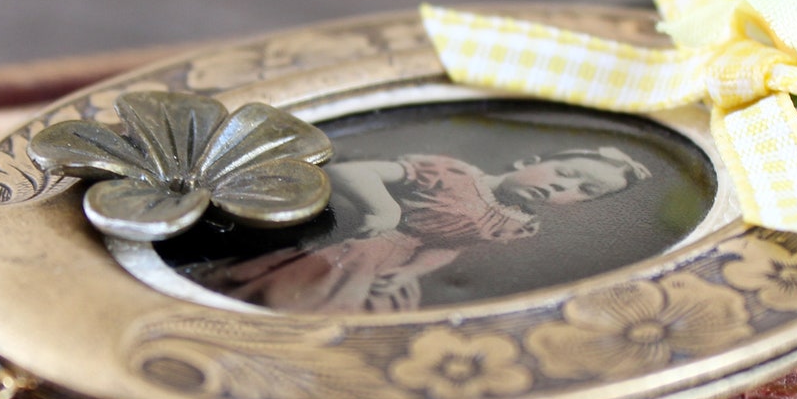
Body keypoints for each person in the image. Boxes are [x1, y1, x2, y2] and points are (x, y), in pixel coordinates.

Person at [189, 148, 651, 313]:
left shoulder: (517, 224)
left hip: (395, 270)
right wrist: (383, 212)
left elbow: (449, 251)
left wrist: (412, 273)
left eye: (582, 192)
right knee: (296, 294)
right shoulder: (450, 172)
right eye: (565, 173)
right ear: (532, 162)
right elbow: (356, 172)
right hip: (359, 246)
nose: (560, 188)